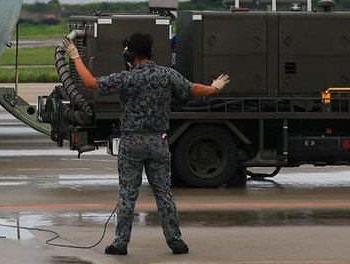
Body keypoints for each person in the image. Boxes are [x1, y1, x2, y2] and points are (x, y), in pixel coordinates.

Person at [61, 32, 229, 256]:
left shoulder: (127, 78)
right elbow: (194, 89)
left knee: (128, 194)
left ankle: (121, 243)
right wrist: (215, 88)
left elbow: (91, 82)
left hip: (132, 142)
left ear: (130, 54)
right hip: (158, 141)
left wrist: (74, 56)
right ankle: (175, 241)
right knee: (164, 193)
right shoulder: (167, 75)